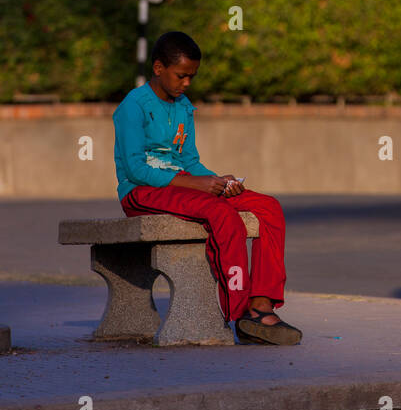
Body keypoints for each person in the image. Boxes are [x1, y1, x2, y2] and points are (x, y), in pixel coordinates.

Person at [112, 30, 301, 345]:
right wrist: (194, 183)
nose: (186, 84)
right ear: (158, 68)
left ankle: (261, 303)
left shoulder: (183, 105)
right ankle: (240, 312)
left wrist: (218, 181)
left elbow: (190, 160)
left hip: (182, 185)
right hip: (141, 192)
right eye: (181, 76)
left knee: (268, 207)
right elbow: (136, 168)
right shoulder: (133, 105)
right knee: (220, 214)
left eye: (192, 77)